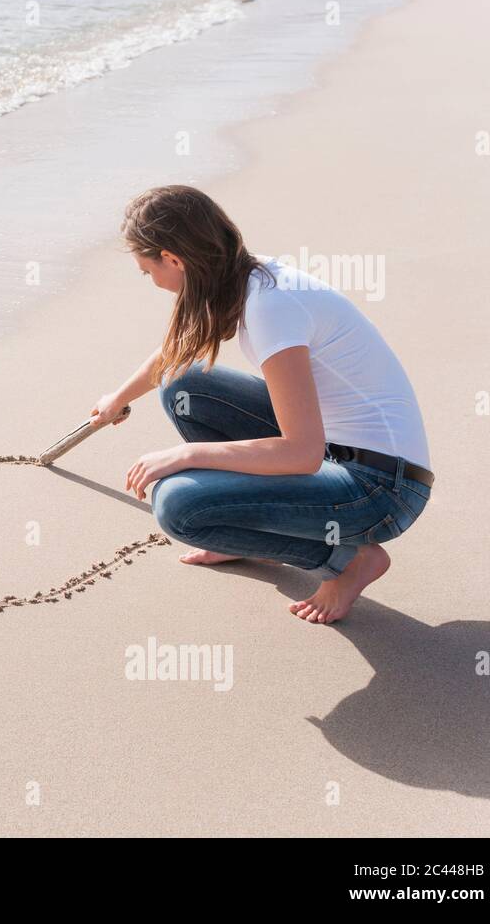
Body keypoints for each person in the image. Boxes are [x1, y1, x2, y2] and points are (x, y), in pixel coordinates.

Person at [91, 185, 432, 624]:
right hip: (338, 447)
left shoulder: (271, 308)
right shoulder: (243, 275)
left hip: (383, 488)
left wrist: (186, 454)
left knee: (178, 507)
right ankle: (243, 535)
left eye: (147, 270)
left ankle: (348, 561)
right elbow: (178, 349)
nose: (153, 282)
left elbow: (301, 453)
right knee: (185, 387)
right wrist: (117, 400)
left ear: (173, 258)